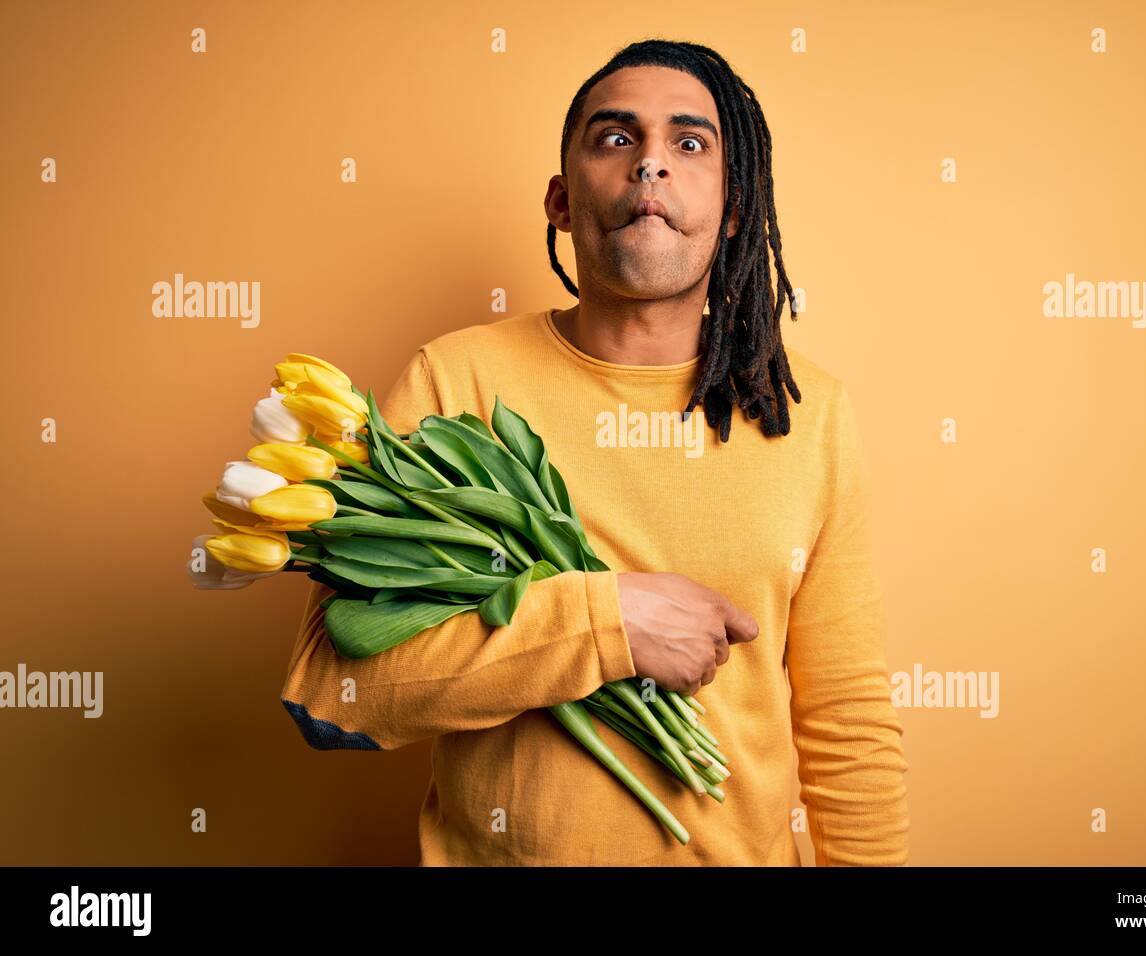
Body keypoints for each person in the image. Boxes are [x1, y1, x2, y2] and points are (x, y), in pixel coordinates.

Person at [280, 38, 910, 866]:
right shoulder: (457, 379)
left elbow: (848, 720)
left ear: (733, 206)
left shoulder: (807, 414)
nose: (651, 163)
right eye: (616, 139)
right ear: (561, 201)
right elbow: (335, 693)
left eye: (689, 144)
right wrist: (605, 625)